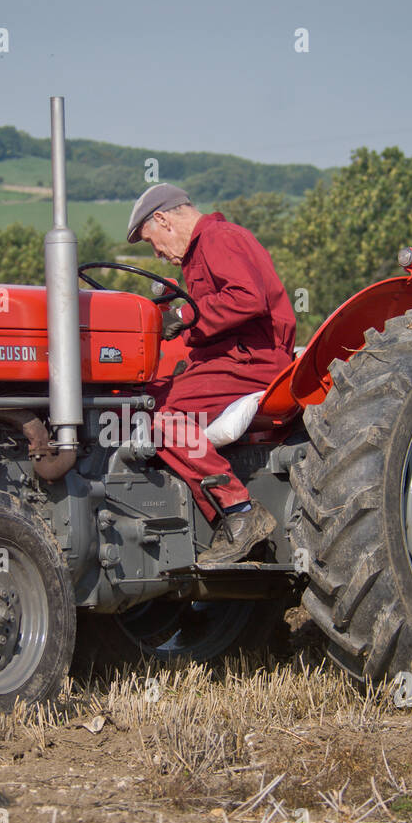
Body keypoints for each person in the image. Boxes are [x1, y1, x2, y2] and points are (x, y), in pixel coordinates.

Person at [127, 183, 296, 563]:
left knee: (156, 414)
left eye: (153, 242)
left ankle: (240, 512)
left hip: (253, 361)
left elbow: (247, 298)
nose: (157, 253)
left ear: (163, 219)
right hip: (225, 362)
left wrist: (184, 317)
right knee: (136, 400)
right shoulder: (200, 253)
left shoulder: (219, 238)